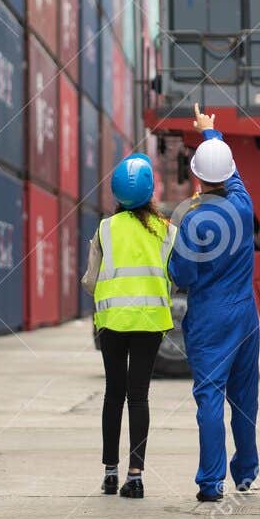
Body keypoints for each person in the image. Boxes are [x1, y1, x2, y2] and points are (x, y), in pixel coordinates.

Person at [167, 105, 260, 503]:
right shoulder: (243, 204)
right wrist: (210, 133)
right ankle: (246, 471)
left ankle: (211, 482)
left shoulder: (194, 220)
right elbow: (230, 175)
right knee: (244, 398)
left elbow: (183, 275)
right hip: (245, 315)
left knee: (209, 395)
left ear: (197, 177)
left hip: (209, 317)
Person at [83, 153, 174, 500]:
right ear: (150, 192)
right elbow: (176, 276)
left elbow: (91, 280)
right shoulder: (167, 231)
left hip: (112, 321)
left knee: (113, 394)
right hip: (150, 322)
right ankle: (135, 477)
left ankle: (110, 473)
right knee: (139, 396)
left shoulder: (105, 229)